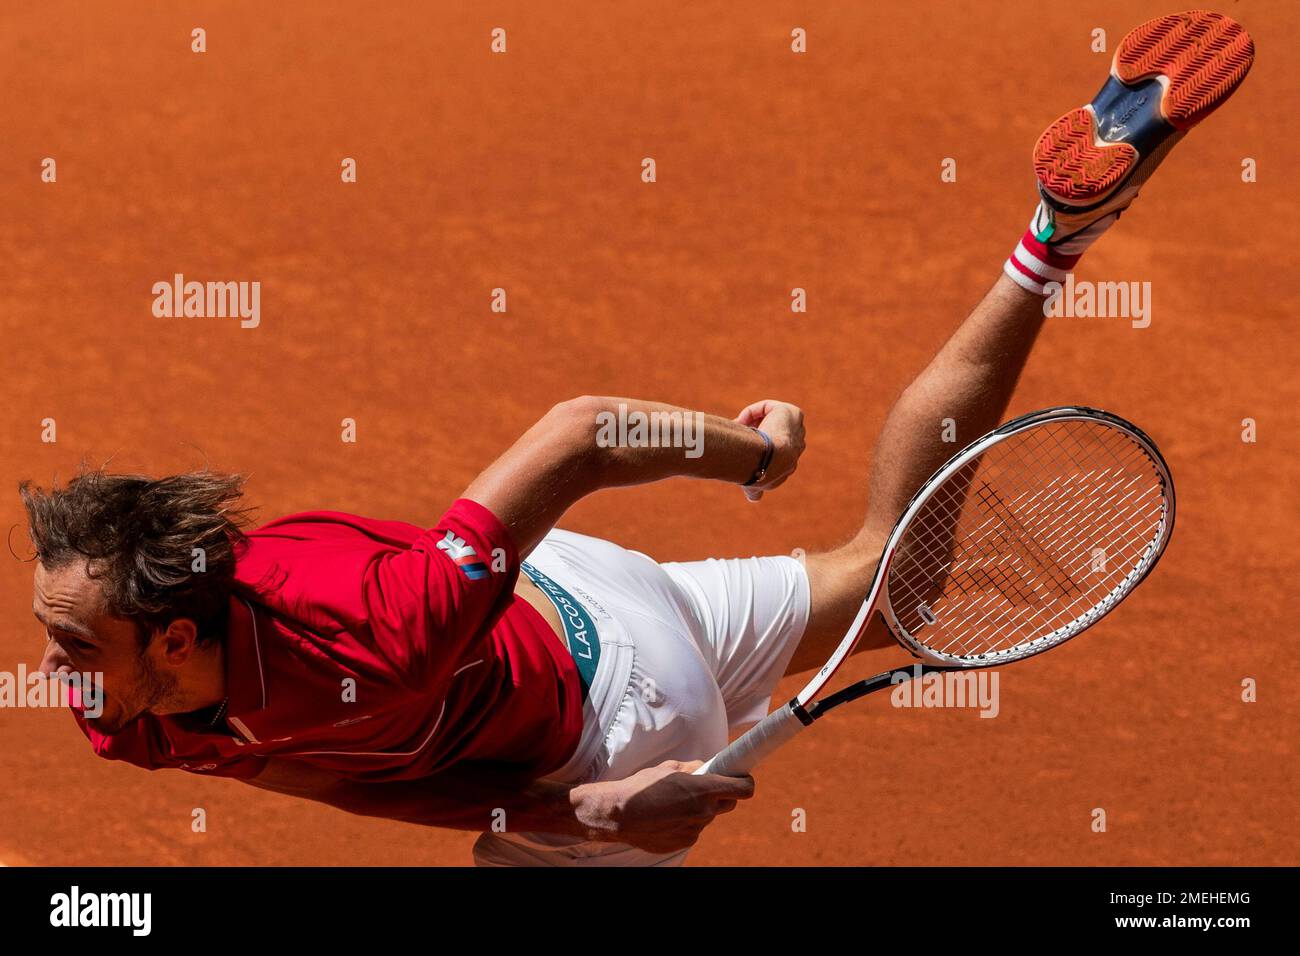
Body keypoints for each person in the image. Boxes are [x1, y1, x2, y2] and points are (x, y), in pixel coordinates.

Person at [25, 10, 1252, 865]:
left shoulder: (376, 625)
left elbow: (580, 433)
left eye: (73, 639)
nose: (52, 667)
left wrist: (749, 456)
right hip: (586, 602)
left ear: (173, 634)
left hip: (622, 701)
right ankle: (1050, 241)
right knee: (893, 578)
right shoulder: (125, 706)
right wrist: (547, 815)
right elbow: (334, 777)